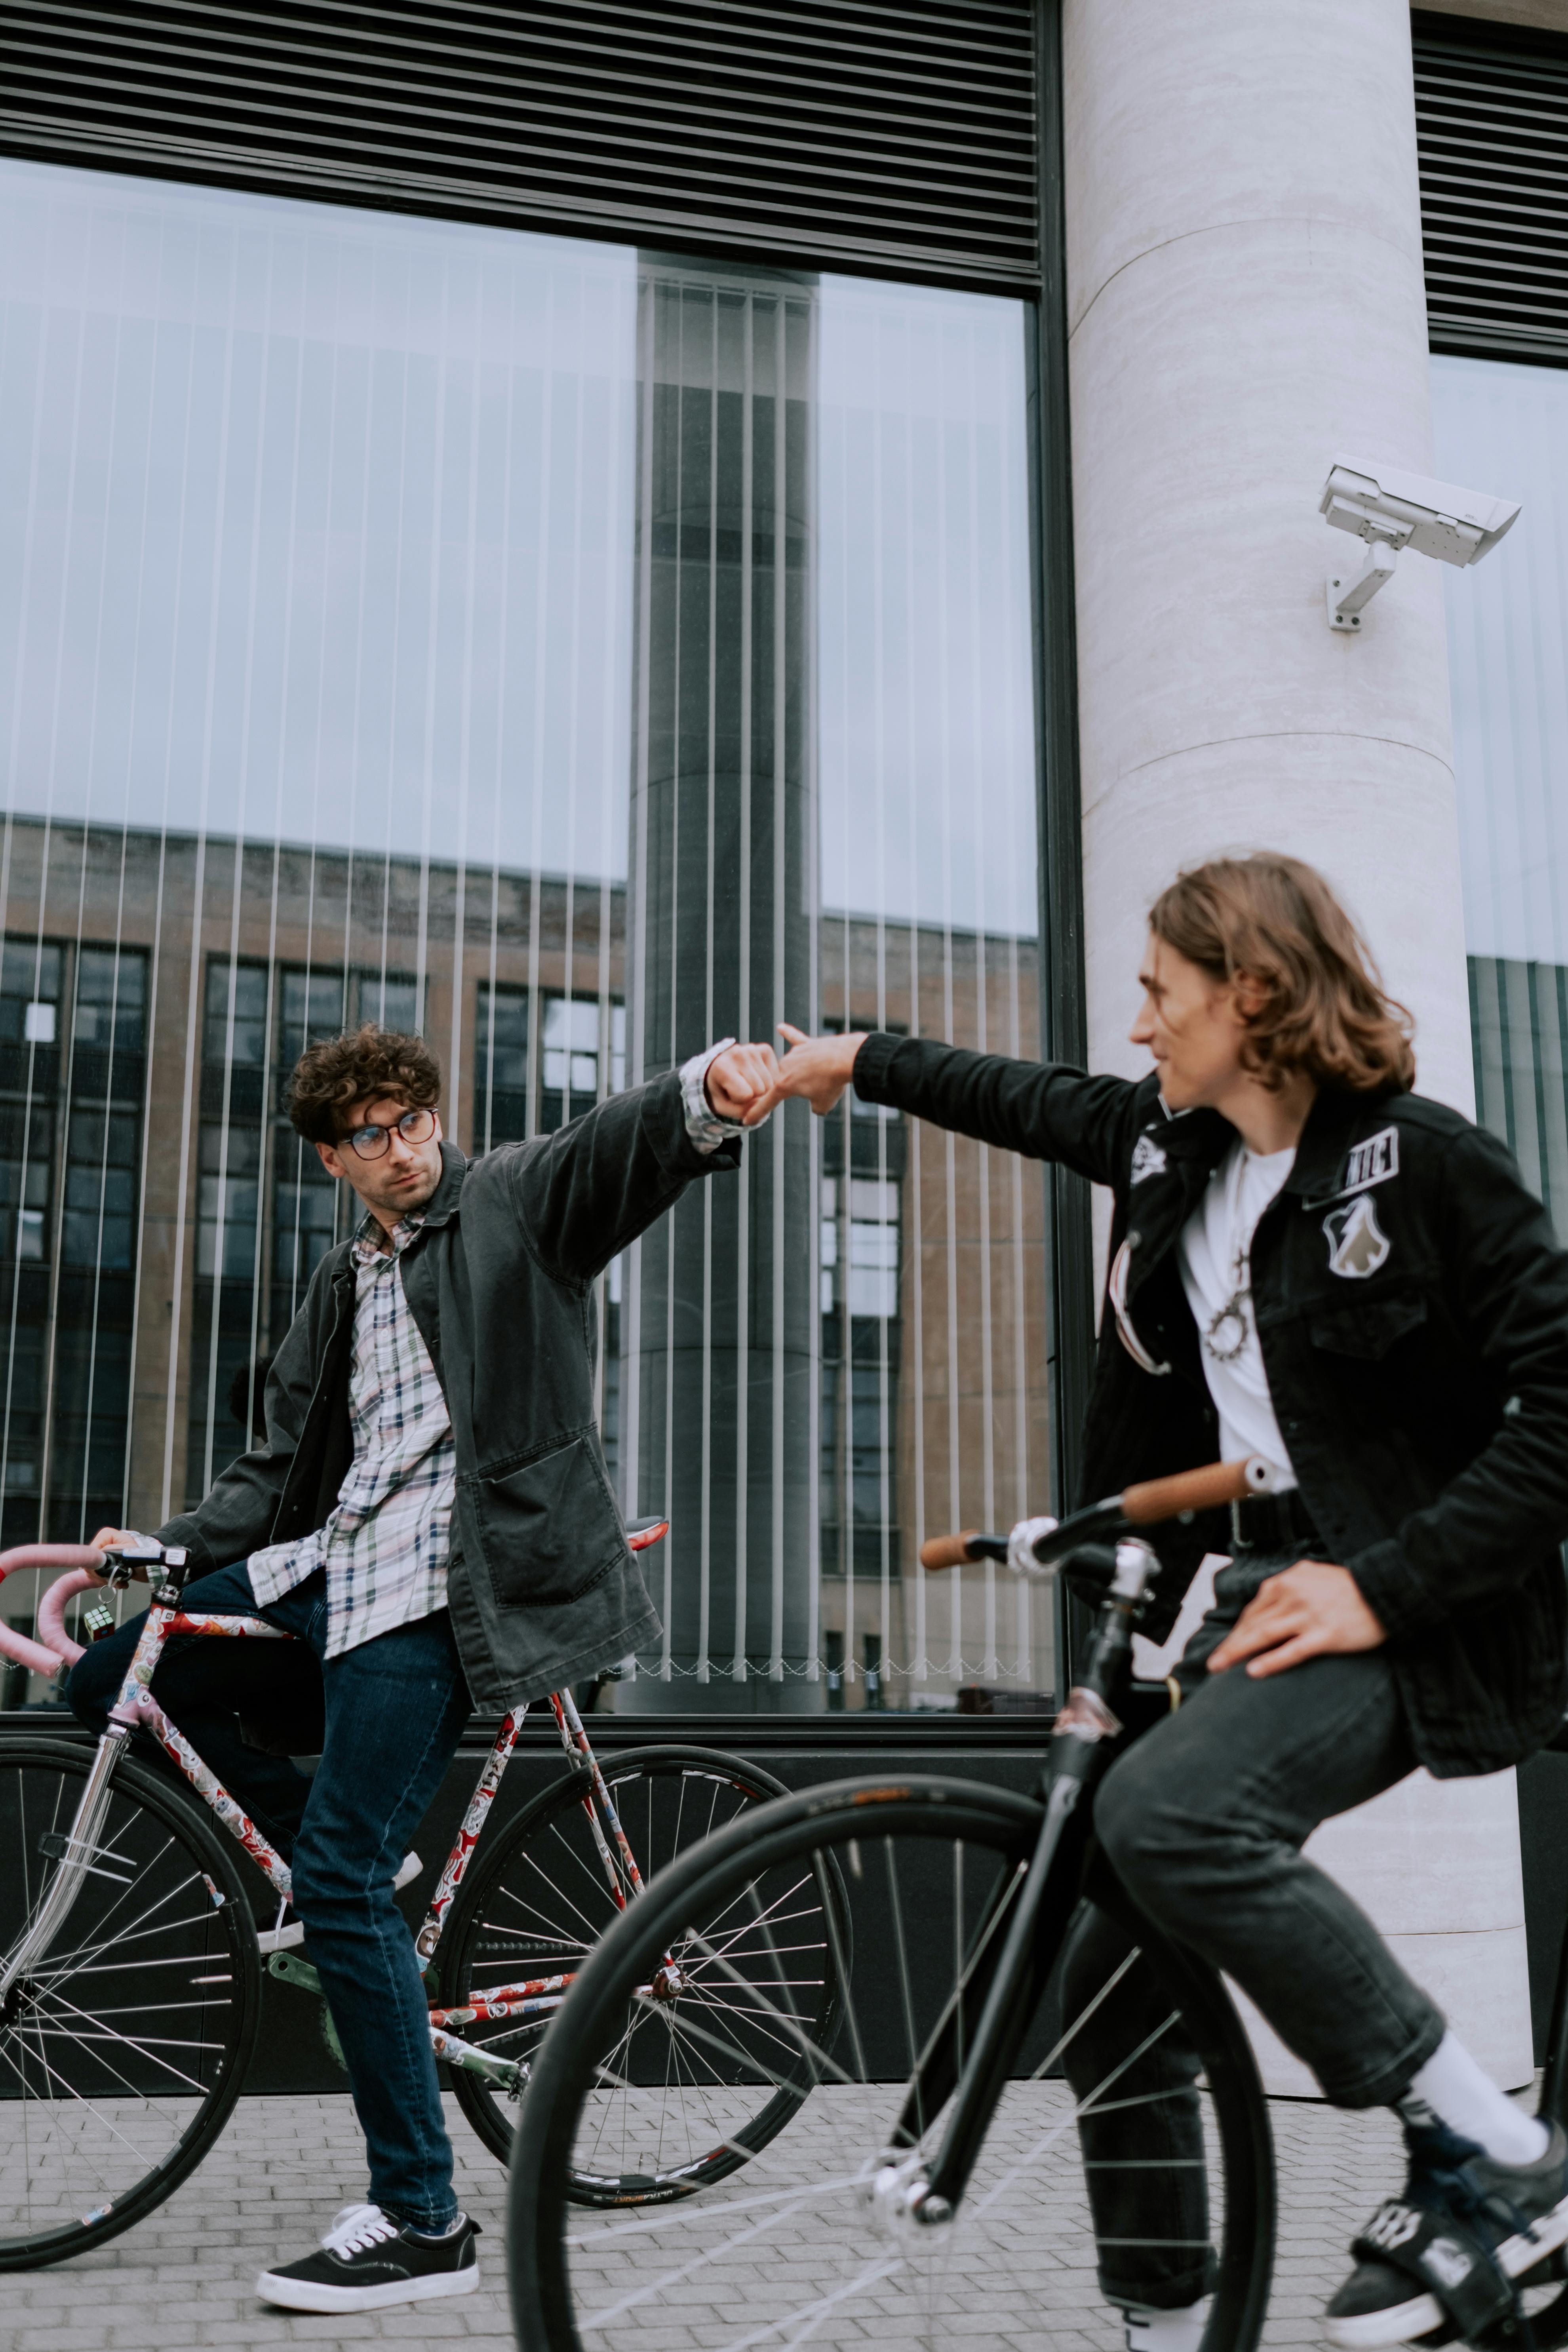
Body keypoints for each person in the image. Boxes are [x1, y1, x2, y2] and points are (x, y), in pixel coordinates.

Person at [752, 853, 1568, 2352]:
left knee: (1173, 1817)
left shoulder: (1422, 1164)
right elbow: (1011, 1093)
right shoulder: (1170, 1146)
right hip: (1237, 1600)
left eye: (1159, 993)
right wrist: (845, 1059)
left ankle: (1497, 2158)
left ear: (1251, 994)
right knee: (1112, 1988)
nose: (1140, 1025)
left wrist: (1384, 1588)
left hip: (1407, 1600)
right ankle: (1167, 2326)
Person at [68, 1020, 778, 2316]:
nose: (403, 1150)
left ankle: (420, 2211)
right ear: (331, 1158)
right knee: (107, 1675)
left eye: (414, 1122)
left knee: (336, 1883)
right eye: (371, 1136)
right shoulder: (344, 1282)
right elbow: (272, 1467)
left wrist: (706, 1101)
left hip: (455, 1579)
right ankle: (350, 1868)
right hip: (338, 1569)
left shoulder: (506, 1200)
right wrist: (163, 1546)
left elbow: (606, 1156)